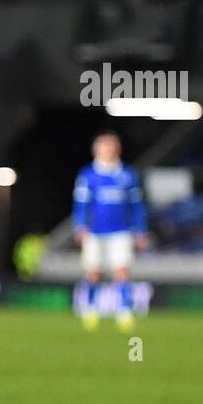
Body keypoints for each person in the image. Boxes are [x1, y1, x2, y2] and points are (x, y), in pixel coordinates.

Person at [73, 131, 148, 330]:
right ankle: (90, 310)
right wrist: (80, 226)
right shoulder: (88, 175)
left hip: (121, 230)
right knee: (93, 272)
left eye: (111, 146)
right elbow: (81, 204)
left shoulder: (127, 174)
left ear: (117, 149)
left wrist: (140, 230)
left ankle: (124, 312)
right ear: (96, 149)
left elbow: (137, 205)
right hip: (94, 231)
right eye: (104, 146)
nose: (108, 150)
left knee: (122, 270)